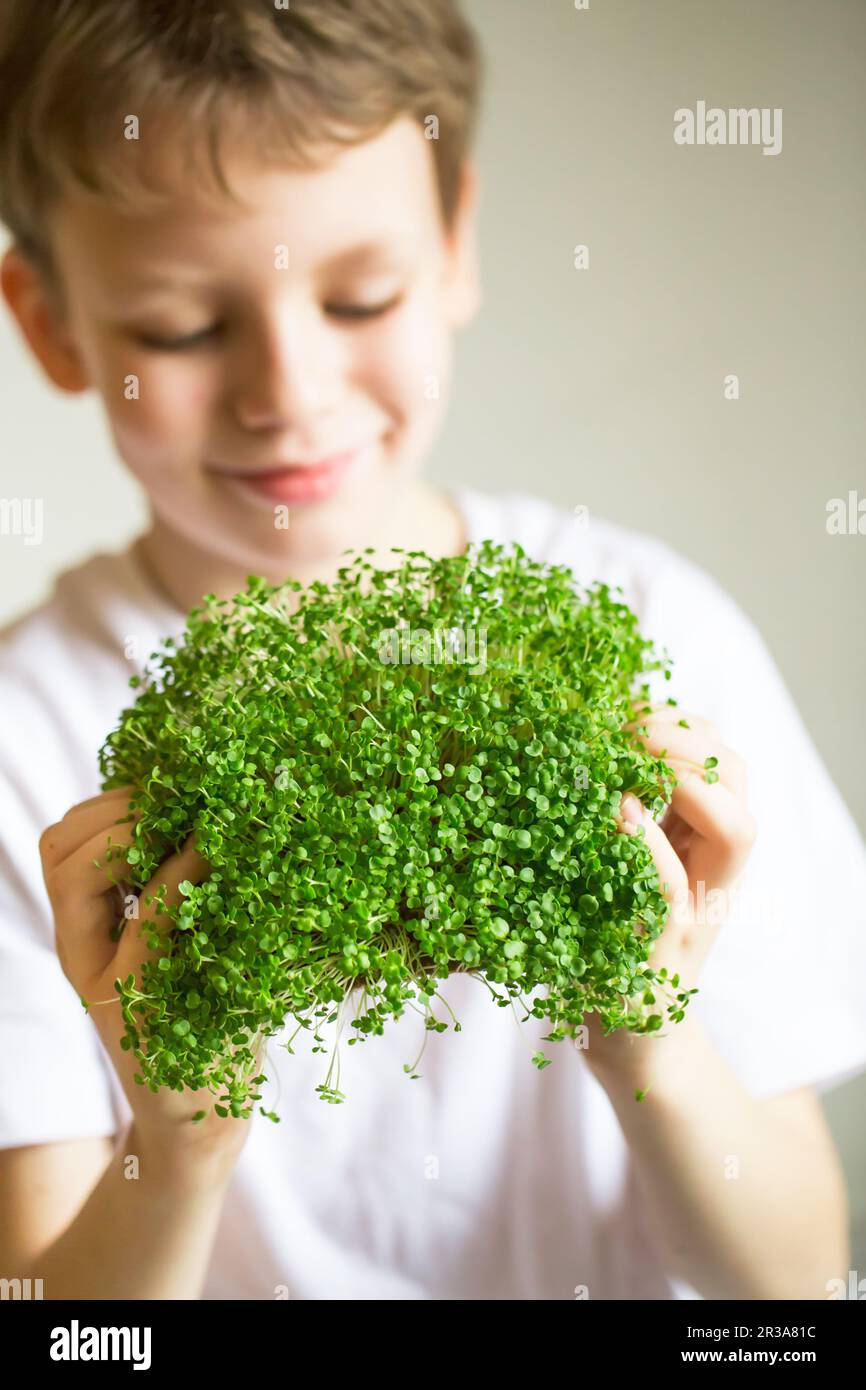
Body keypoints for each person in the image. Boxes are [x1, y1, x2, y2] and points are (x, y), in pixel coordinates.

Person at [0, 0, 863, 1302]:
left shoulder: (653, 633)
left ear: (455, 242)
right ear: (52, 325)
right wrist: (175, 1145)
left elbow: (796, 1289)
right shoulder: (29, 736)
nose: (287, 388)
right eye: (180, 326)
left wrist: (647, 1044)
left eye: (362, 294)